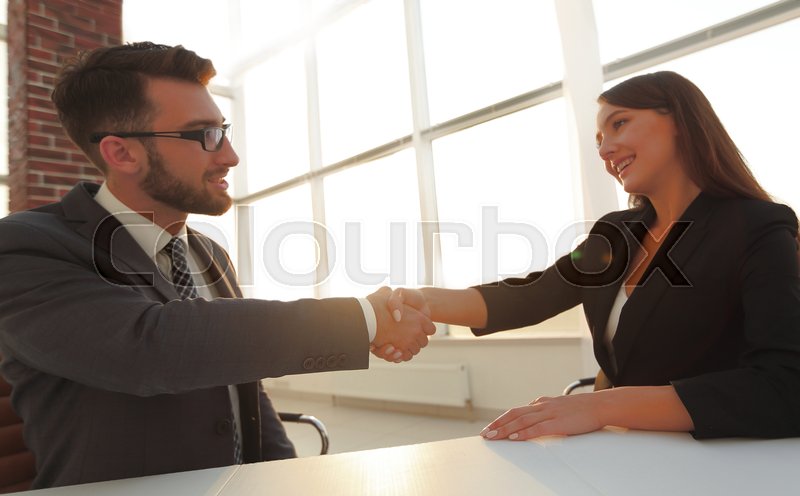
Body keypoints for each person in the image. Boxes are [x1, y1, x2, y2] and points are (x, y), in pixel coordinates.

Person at [0, 42, 434, 489]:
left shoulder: (208, 253)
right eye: (203, 135)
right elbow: (151, 347)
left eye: (223, 131)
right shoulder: (25, 247)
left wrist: (284, 479)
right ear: (122, 153)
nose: (229, 156)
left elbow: (244, 387)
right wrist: (362, 319)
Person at [380, 71, 800, 440]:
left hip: (711, 463)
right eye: (599, 140)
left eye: (619, 125)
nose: (604, 151)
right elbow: (533, 294)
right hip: (620, 451)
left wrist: (601, 407)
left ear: (680, 122)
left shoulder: (757, 226)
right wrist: (428, 301)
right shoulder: (617, 233)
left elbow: (784, 387)